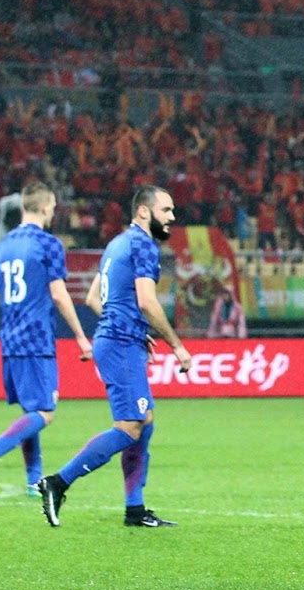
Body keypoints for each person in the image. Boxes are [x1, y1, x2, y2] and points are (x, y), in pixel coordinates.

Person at [37, 186, 191, 529]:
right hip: (120, 344)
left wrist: (134, 329)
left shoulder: (118, 243)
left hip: (120, 339)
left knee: (144, 421)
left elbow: (94, 297)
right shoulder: (143, 245)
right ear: (143, 213)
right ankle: (57, 483)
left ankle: (135, 510)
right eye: (166, 210)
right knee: (129, 426)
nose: (172, 217)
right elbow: (148, 302)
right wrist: (176, 345)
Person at [0, 183, 94, 498]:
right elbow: (58, 293)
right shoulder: (48, 244)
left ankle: (33, 479)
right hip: (36, 338)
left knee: (31, 410)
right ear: (43, 207)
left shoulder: (4, 245)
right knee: (45, 412)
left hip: (9, 339)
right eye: (52, 207)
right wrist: (81, 335)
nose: (53, 212)